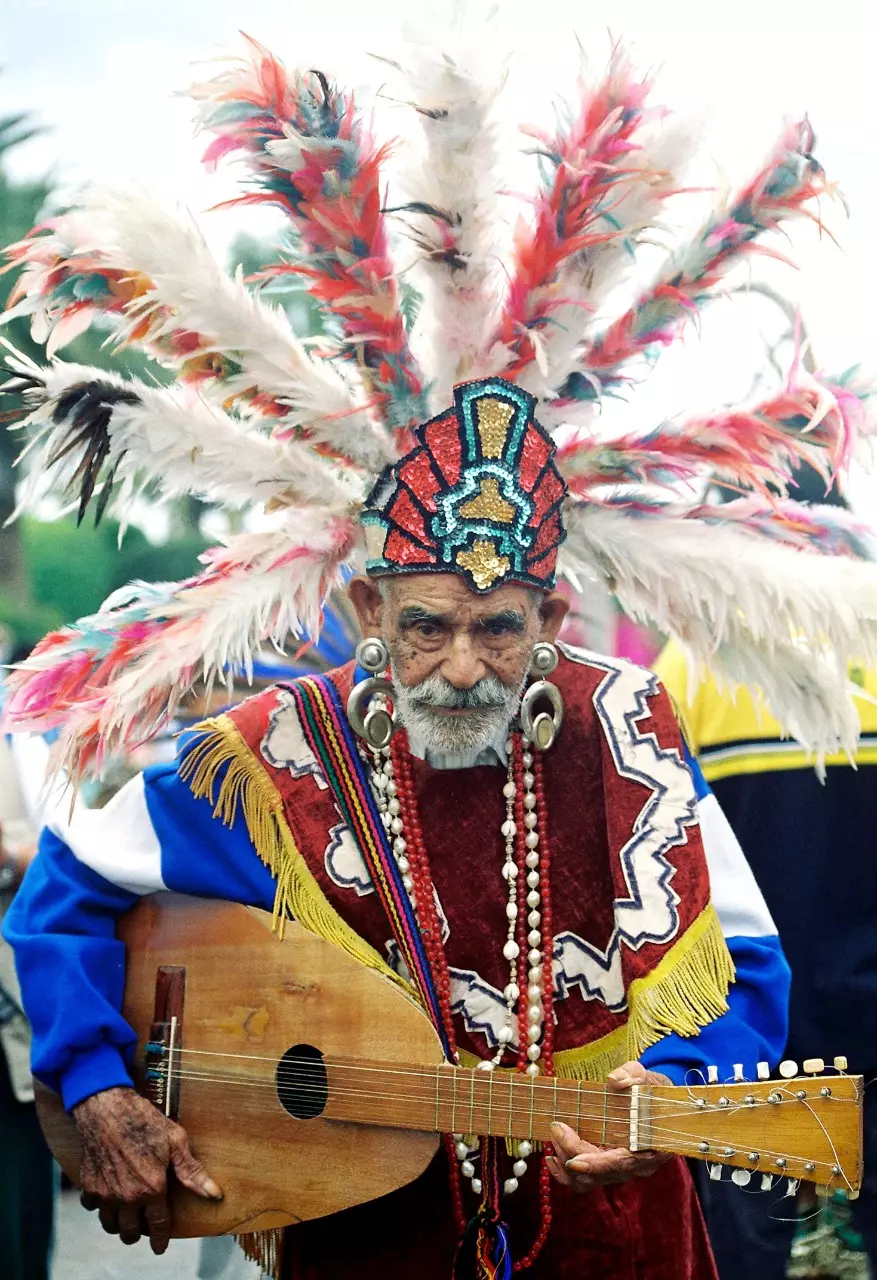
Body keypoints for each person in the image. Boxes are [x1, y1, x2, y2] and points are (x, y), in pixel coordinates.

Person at [3, 26, 877, 1280]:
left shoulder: (626, 728)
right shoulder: (263, 755)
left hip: (611, 1249)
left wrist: (667, 1089)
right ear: (366, 612)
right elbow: (66, 896)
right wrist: (96, 1087)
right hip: (364, 1245)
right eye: (425, 625)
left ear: (551, 619)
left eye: (497, 627)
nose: (462, 663)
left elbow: (745, 965)